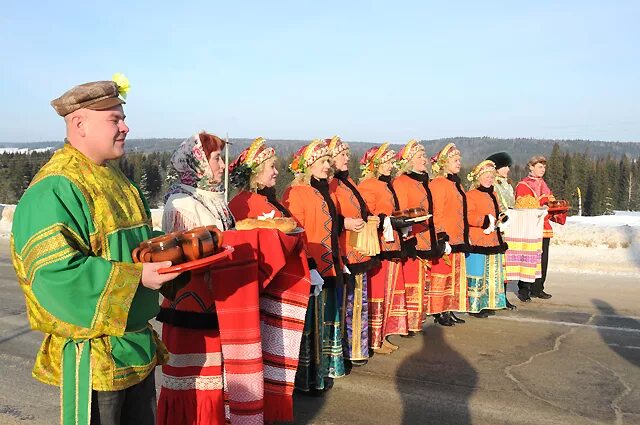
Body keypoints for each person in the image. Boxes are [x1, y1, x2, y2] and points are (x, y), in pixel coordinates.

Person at [10, 76, 182, 425]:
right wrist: (137, 278)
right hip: (97, 360)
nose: (126, 127)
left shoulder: (116, 179)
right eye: (114, 119)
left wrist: (175, 248)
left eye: (122, 117)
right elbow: (53, 276)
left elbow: (137, 244)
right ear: (79, 124)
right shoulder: (56, 187)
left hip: (135, 348)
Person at [157, 132, 235, 425]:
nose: (222, 166)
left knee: (217, 380)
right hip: (191, 307)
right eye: (216, 158)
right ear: (198, 162)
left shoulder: (212, 199)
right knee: (196, 382)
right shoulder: (181, 203)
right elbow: (180, 259)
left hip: (218, 300)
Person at [283, 140, 364, 392]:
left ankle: (324, 369)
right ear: (308, 166)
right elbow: (296, 232)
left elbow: (332, 229)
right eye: (322, 162)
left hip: (329, 265)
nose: (328, 167)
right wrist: (309, 265)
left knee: (326, 320)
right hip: (312, 267)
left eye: (328, 162)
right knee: (310, 325)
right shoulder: (296, 193)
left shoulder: (326, 192)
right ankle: (308, 379)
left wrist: (340, 261)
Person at [326, 136, 379, 366]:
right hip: (345, 249)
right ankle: (347, 349)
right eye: (342, 155)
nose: (347, 158)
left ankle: (357, 348)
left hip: (357, 248)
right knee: (347, 304)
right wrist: (344, 222)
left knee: (357, 302)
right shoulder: (330, 185)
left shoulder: (348, 183)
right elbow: (326, 216)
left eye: (347, 154)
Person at [357, 143, 410, 353]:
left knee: (389, 290)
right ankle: (373, 336)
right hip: (380, 244)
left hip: (392, 242)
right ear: (376, 164)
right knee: (378, 291)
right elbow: (369, 214)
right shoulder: (369, 185)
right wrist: (387, 220)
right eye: (386, 162)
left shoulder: (387, 185)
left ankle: (383, 334)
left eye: (391, 161)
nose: (391, 165)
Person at [392, 140, 446, 335]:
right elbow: (400, 213)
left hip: (426, 236)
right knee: (411, 282)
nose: (425, 159)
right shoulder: (402, 182)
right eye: (420, 157)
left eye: (424, 156)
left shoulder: (424, 181)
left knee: (422, 282)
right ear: (409, 161)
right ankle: (407, 323)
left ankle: (417, 321)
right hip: (412, 239)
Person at [428, 143, 469, 325]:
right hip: (446, 236)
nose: (459, 163)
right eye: (455, 160)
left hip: (457, 236)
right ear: (445, 163)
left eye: (459, 160)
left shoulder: (455, 184)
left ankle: (449, 308)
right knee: (441, 275)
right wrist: (440, 236)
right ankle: (439, 310)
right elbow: (436, 211)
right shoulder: (438, 184)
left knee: (453, 276)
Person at [465, 160, 509, 317]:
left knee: (491, 273)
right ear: (478, 178)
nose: (489, 180)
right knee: (477, 272)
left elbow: (497, 211)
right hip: (478, 239)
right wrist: (484, 220)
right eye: (486, 176)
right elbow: (468, 216)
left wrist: (501, 218)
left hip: (493, 239)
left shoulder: (494, 194)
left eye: (491, 177)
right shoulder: (471, 195)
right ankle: (475, 305)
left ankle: (489, 301)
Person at [514, 155, 559, 302]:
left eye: (544, 167)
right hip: (530, 227)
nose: (543, 169)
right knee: (529, 257)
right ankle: (524, 288)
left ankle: (538, 287)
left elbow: (549, 200)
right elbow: (522, 205)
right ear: (531, 167)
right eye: (540, 166)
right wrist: (540, 205)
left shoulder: (544, 184)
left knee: (542, 257)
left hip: (543, 226)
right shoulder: (523, 185)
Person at [228, 136, 291, 218]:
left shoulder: (269, 199)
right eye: (272, 166)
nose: (276, 172)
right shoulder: (247, 203)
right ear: (257, 172)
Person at [486, 152, 517, 309]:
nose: (507, 170)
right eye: (505, 166)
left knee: (506, 264)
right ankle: (499, 296)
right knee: (500, 264)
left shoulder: (507, 184)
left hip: (510, 225)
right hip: (500, 226)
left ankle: (502, 296)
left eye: (508, 167)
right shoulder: (495, 184)